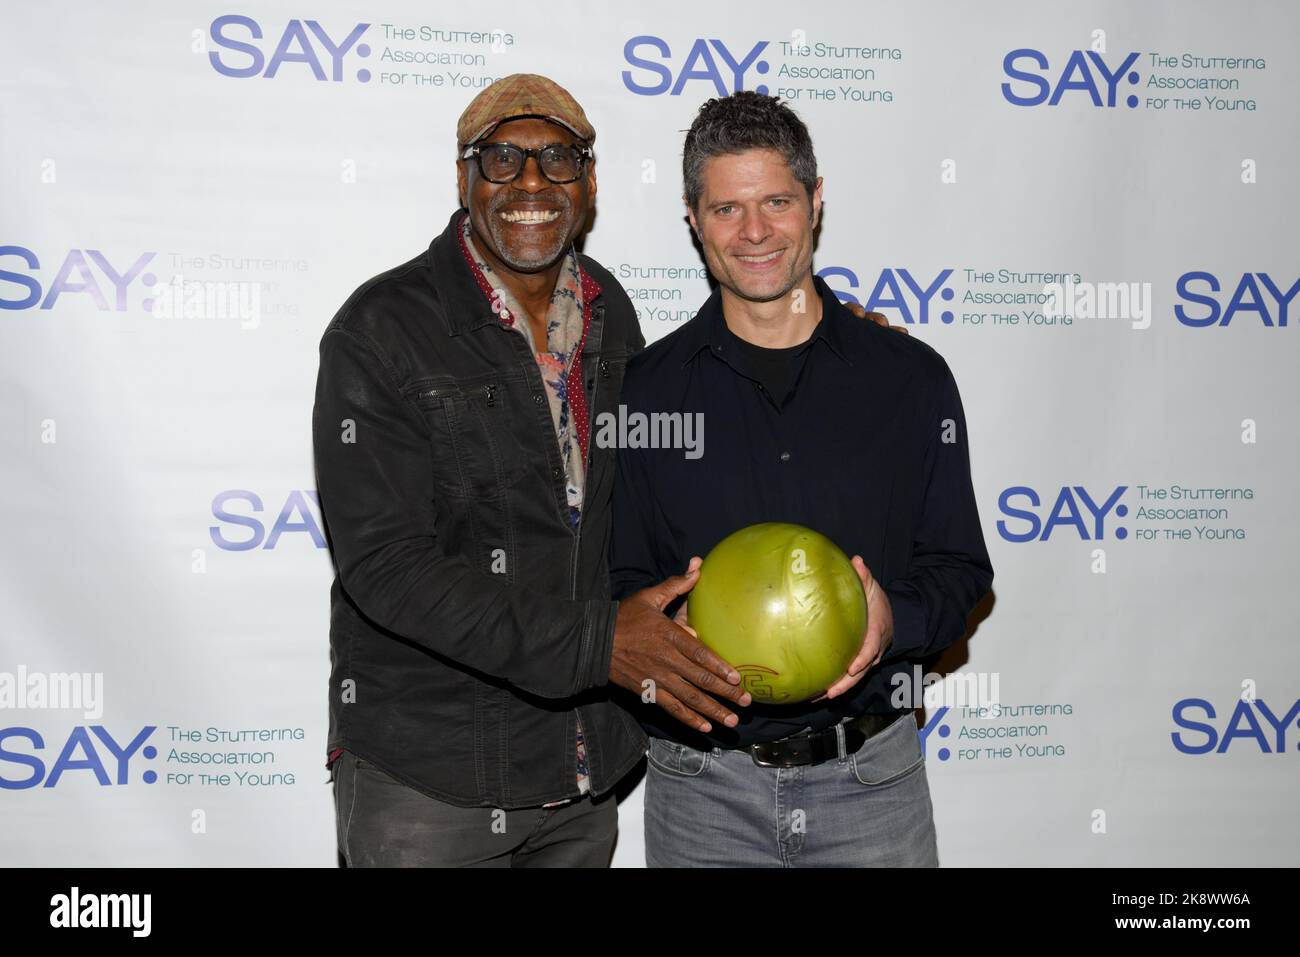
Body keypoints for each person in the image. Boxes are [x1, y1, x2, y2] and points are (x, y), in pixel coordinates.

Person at [312, 74, 753, 867]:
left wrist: (817, 330)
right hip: (431, 781)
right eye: (503, 158)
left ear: (589, 183)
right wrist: (598, 644)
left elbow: (648, 477)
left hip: (581, 776)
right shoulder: (381, 329)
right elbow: (387, 568)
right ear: (464, 177)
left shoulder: (610, 310)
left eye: (558, 159)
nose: (531, 183)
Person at [610, 91, 995, 867]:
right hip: (700, 794)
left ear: (816, 203)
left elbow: (960, 569)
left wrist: (895, 622)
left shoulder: (910, 381)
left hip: (872, 784)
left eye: (777, 201)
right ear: (693, 219)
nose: (754, 232)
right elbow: (617, 579)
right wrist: (660, 635)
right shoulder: (644, 392)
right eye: (727, 208)